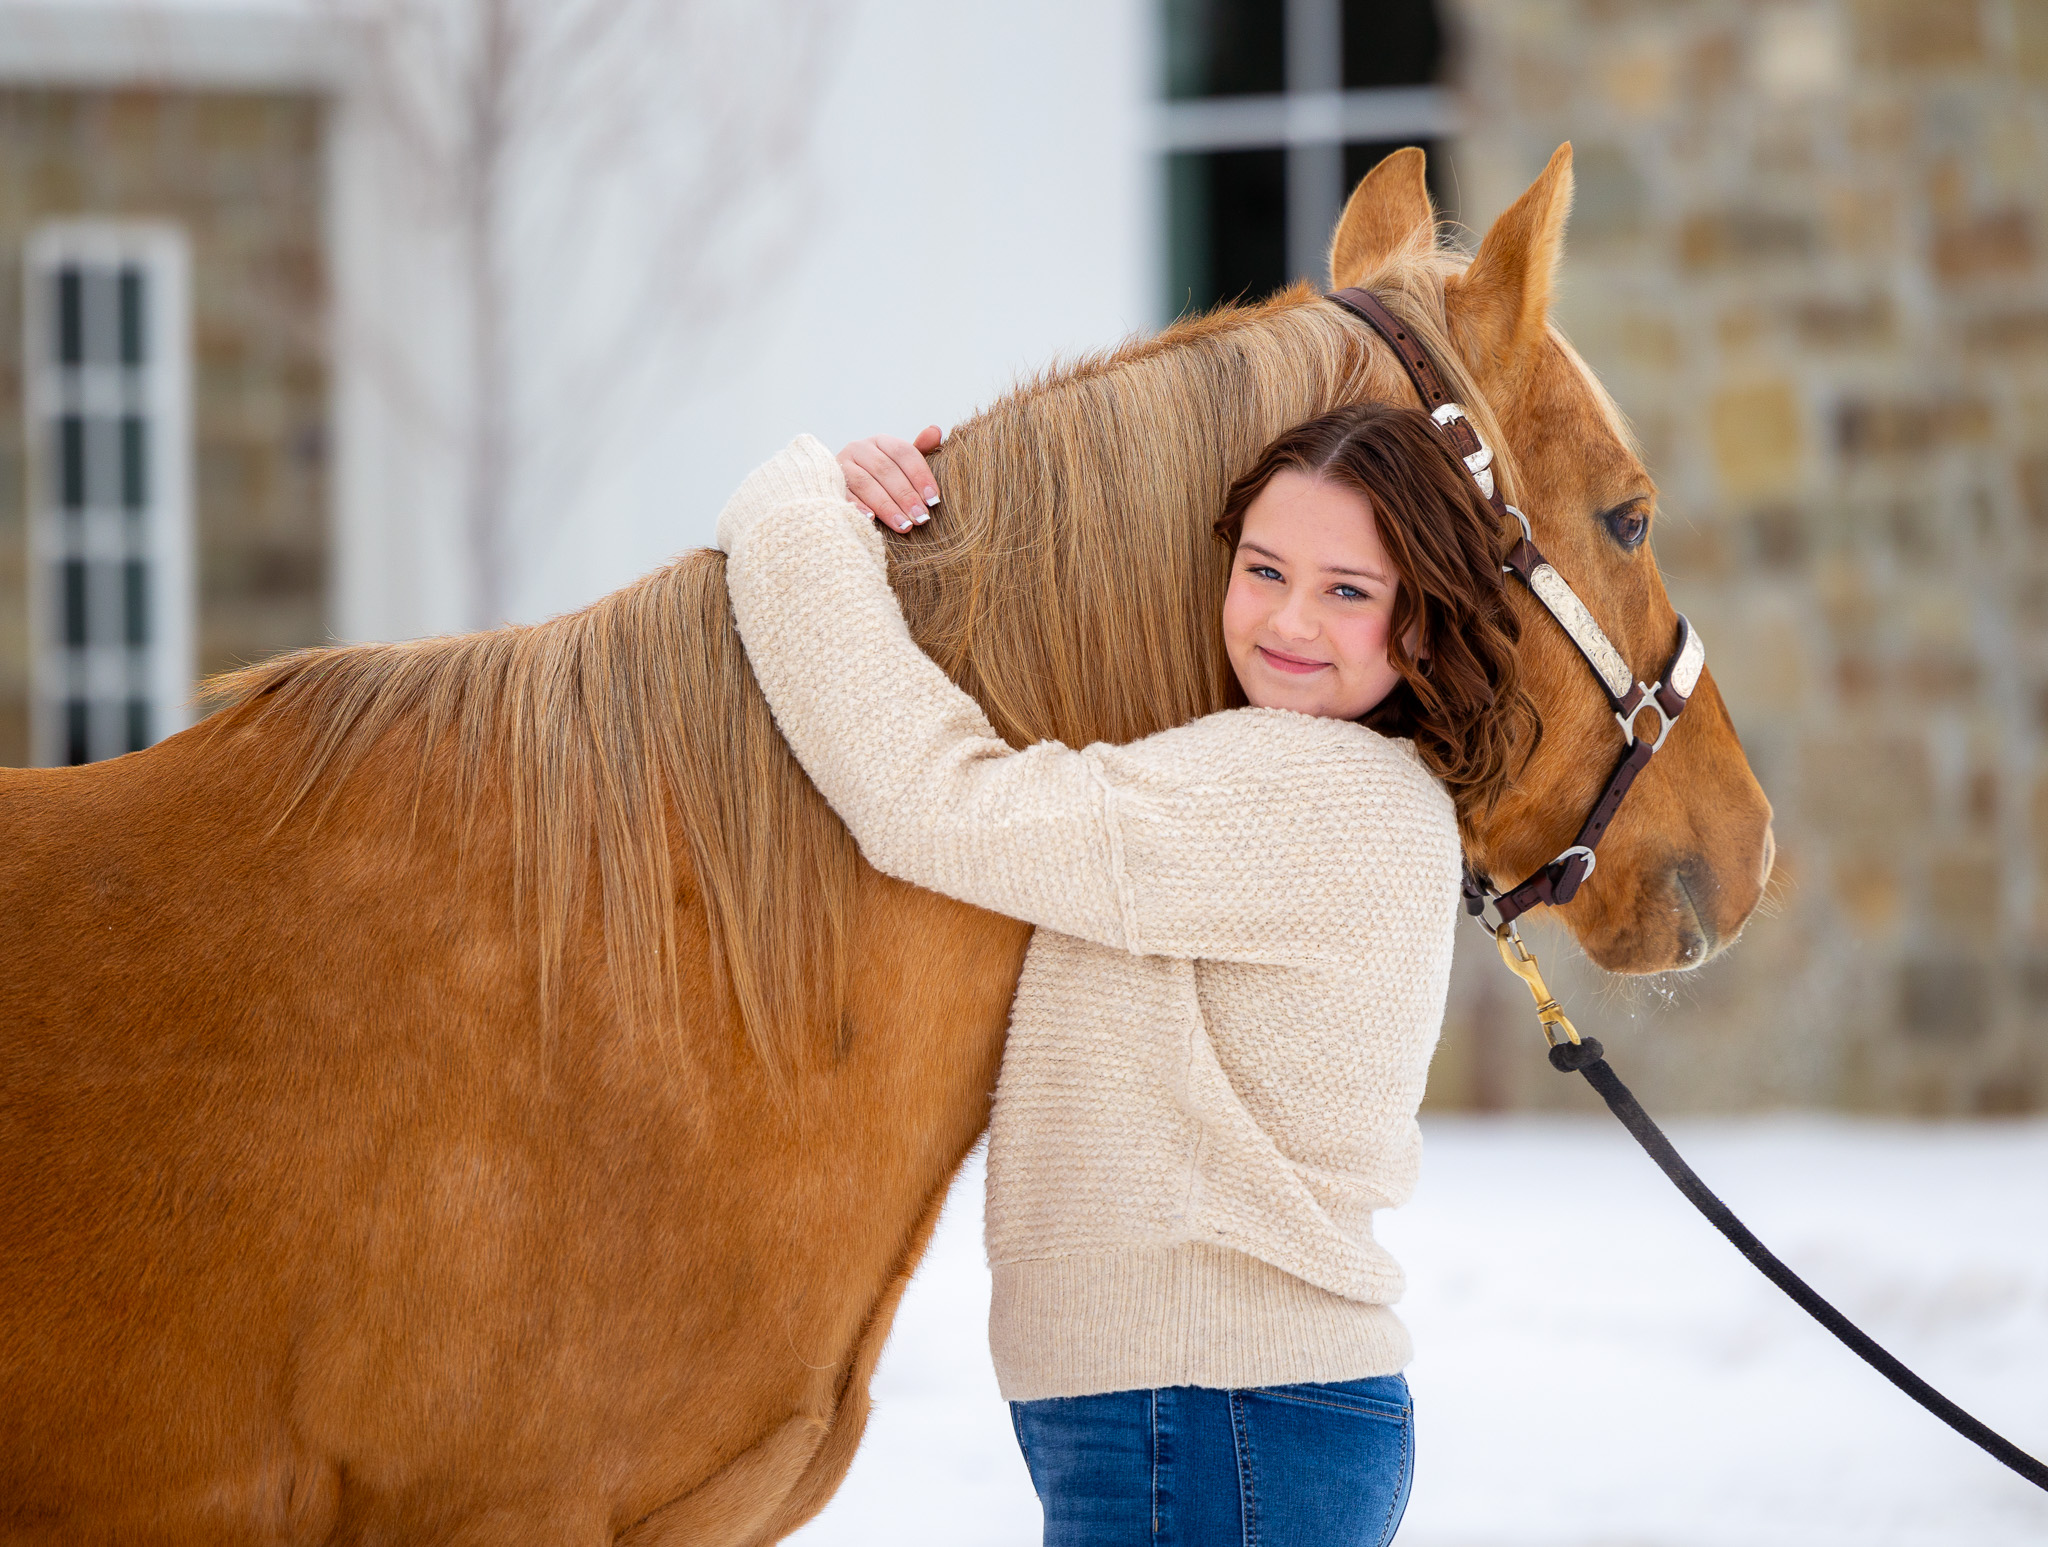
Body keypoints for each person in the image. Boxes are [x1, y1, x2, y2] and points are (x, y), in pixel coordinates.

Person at [715, 402, 1529, 1547]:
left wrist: (792, 509)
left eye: (1348, 589)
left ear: (1422, 621)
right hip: (1210, 1411)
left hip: (1216, 1412)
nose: (1290, 618)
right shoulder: (1311, 781)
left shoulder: (1310, 790)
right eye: (1262, 569)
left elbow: (929, 802)